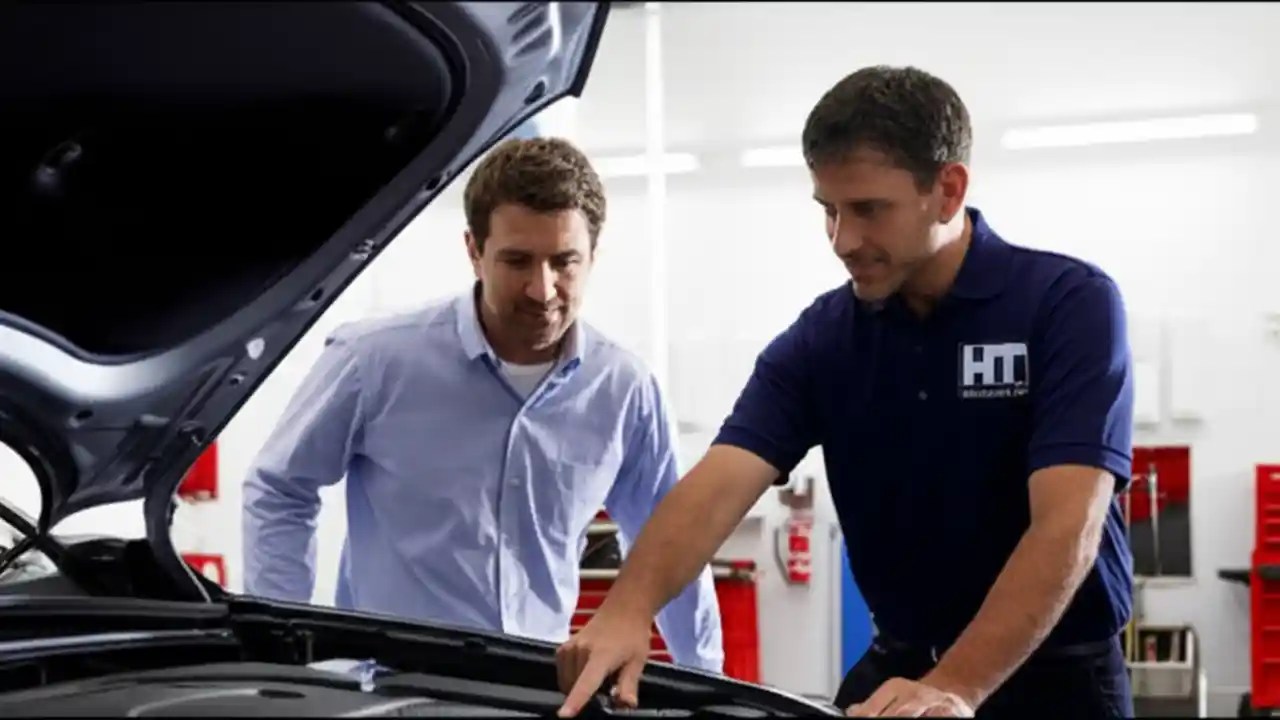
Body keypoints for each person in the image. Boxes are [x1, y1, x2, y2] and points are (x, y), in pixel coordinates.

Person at [554, 65, 1135, 719]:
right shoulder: (823, 341)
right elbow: (719, 483)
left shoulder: (1066, 305)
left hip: (1054, 679)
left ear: (947, 190)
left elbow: (1067, 526)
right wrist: (628, 607)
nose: (842, 240)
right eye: (828, 211)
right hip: (903, 667)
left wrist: (957, 686)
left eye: (868, 210)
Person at [240, 136, 724, 673]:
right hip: (393, 694)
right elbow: (280, 487)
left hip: (536, 691)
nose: (543, 290)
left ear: (593, 255)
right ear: (474, 250)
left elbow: (670, 539)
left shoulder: (624, 389)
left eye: (564, 262)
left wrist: (705, 679)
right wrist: (281, 660)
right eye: (518, 261)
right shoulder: (374, 360)